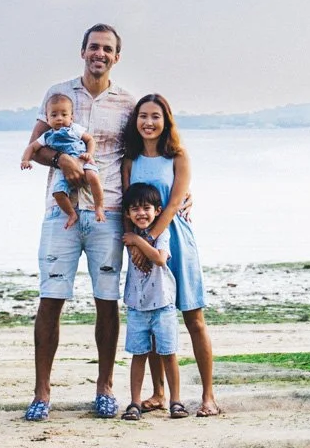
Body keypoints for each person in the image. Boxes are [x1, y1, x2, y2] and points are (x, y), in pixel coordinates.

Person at [20, 24, 137, 421]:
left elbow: (141, 154)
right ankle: (41, 393)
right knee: (51, 298)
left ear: (116, 57)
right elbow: (34, 148)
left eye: (107, 49)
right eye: (93, 47)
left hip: (109, 210)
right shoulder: (59, 94)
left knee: (107, 299)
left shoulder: (127, 102)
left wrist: (179, 190)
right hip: (61, 212)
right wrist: (61, 159)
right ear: (82, 51)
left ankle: (104, 387)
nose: (98, 54)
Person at [121, 93, 220, 417]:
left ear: (166, 121)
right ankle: (158, 393)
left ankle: (208, 396)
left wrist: (147, 240)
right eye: (143, 116)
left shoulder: (178, 156)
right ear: (136, 122)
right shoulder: (130, 160)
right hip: (142, 245)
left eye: (155, 117)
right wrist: (135, 244)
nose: (149, 123)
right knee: (151, 315)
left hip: (175, 241)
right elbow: (126, 204)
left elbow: (175, 202)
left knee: (193, 318)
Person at [118, 182, 187, 420]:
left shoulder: (161, 233)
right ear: (127, 213)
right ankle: (135, 403)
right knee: (139, 355)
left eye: (146, 208)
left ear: (157, 210)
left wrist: (137, 241)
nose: (141, 213)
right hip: (137, 305)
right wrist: (133, 238)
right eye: (135, 209)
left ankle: (175, 401)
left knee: (168, 353)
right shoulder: (127, 233)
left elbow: (159, 259)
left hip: (163, 304)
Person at [19, 92, 105, 227]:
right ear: (47, 119)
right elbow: (32, 147)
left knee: (93, 177)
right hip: (62, 168)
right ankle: (71, 214)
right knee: (58, 192)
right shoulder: (47, 136)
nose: (59, 118)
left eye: (64, 115)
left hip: (81, 158)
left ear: (71, 117)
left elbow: (90, 140)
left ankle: (99, 207)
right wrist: (25, 160)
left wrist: (89, 153)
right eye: (54, 115)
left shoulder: (75, 129)